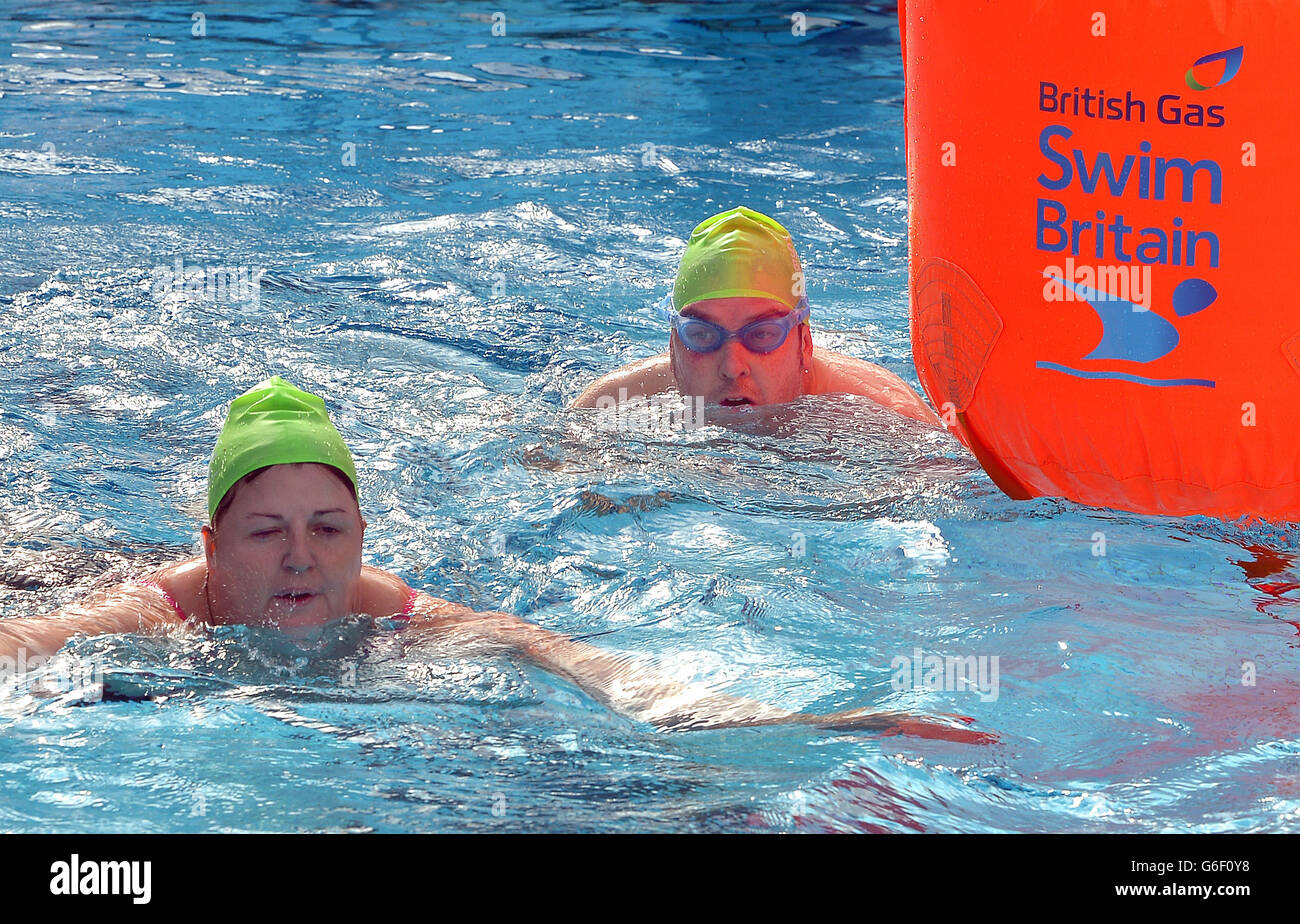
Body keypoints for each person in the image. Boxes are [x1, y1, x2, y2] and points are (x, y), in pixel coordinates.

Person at [0, 376, 987, 740]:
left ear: (363, 539)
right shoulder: (156, 619)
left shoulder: (392, 615)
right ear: (212, 548)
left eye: (329, 529)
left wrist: (820, 724)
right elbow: (22, 646)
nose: (302, 560)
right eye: (266, 533)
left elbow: (585, 667)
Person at [571, 206, 939, 423]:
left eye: (761, 335)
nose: (732, 366)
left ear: (805, 344)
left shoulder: (883, 415)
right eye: (702, 335)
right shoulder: (613, 404)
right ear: (672, 348)